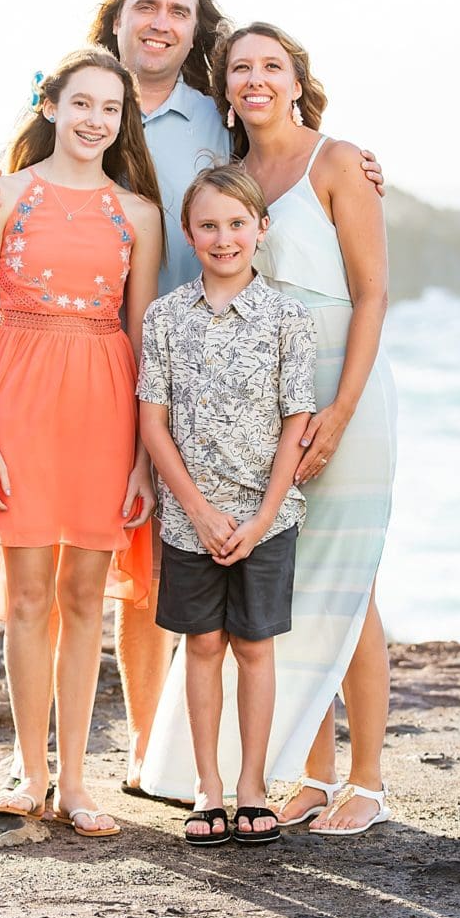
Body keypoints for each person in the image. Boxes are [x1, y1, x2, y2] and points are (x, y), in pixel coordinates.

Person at [0, 0, 385, 796]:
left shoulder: (217, 121)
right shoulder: (83, 99)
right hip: (107, 363)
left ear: (197, 31)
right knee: (121, 568)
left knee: (240, 566)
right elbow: (17, 201)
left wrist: (361, 168)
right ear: (115, 19)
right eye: (144, 5)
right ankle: (94, 758)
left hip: (234, 363)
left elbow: (282, 169)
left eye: (179, 11)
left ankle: (253, 763)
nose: (160, 21)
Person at [139, 23, 396, 838]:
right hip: (258, 402)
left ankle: (368, 780)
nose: (256, 78)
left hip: (342, 383)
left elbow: (374, 294)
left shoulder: (339, 162)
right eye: (241, 67)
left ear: (295, 79)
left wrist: (341, 411)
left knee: (351, 582)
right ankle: (310, 772)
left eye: (271, 66)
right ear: (226, 88)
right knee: (287, 583)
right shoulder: (234, 179)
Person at [0, 47, 164, 835]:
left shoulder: (139, 214)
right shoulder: (2, 194)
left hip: (103, 406)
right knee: (26, 596)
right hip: (17, 404)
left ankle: (79, 782)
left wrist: (144, 458)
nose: (95, 120)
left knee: (86, 596)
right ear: (50, 105)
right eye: (81, 103)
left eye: (110, 109)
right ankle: (30, 766)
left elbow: (144, 336)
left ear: (123, 122)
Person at [138, 165, 316, 845]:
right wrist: (202, 512)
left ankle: (252, 786)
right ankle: (207, 786)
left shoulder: (286, 318)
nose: (223, 237)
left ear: (260, 230)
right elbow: (154, 425)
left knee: (254, 645)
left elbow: (297, 422)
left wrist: (264, 515)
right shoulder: (165, 318)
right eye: (209, 225)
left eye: (237, 223)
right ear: (189, 233)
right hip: (191, 519)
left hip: (267, 516)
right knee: (203, 644)